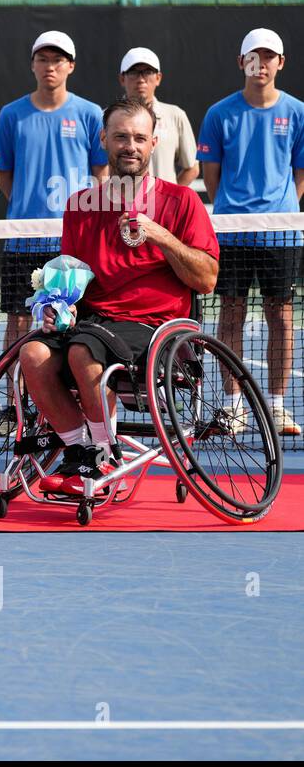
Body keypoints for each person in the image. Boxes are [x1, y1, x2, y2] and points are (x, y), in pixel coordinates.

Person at [20, 96, 218, 496]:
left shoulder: (183, 202)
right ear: (104, 140)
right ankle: (80, 452)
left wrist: (159, 234)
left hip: (154, 329)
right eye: (121, 137)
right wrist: (56, 307)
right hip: (91, 324)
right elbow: (71, 277)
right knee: (33, 354)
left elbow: (206, 279)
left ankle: (104, 457)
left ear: (153, 143)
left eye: (139, 138)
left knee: (82, 351)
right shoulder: (80, 206)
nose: (130, 145)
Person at [0, 31, 107, 406]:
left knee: (77, 322)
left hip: (73, 243)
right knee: (20, 322)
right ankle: (15, 403)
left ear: (70, 66)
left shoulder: (90, 114)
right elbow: (5, 175)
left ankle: (69, 399)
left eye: (58, 60)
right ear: (33, 65)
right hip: (24, 238)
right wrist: (30, 213)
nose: (50, 66)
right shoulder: (11, 115)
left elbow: (100, 175)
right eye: (43, 59)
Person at [199, 27, 304, 436]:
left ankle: (276, 406)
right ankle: (232, 405)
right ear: (242, 63)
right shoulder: (219, 114)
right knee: (231, 315)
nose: (261, 63)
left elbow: (300, 173)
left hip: (280, 232)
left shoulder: (297, 112)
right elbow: (212, 179)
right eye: (253, 56)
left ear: (280, 63)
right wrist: (236, 211)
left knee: (281, 316)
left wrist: (280, 210)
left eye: (269, 56)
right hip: (231, 231)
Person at [117, 48, 198, 187]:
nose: (141, 79)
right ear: (122, 78)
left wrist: (170, 197)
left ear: (158, 78)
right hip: (121, 206)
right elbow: (99, 168)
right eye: (134, 72)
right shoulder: (105, 118)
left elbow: (192, 168)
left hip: (164, 207)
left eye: (148, 72)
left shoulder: (175, 115)